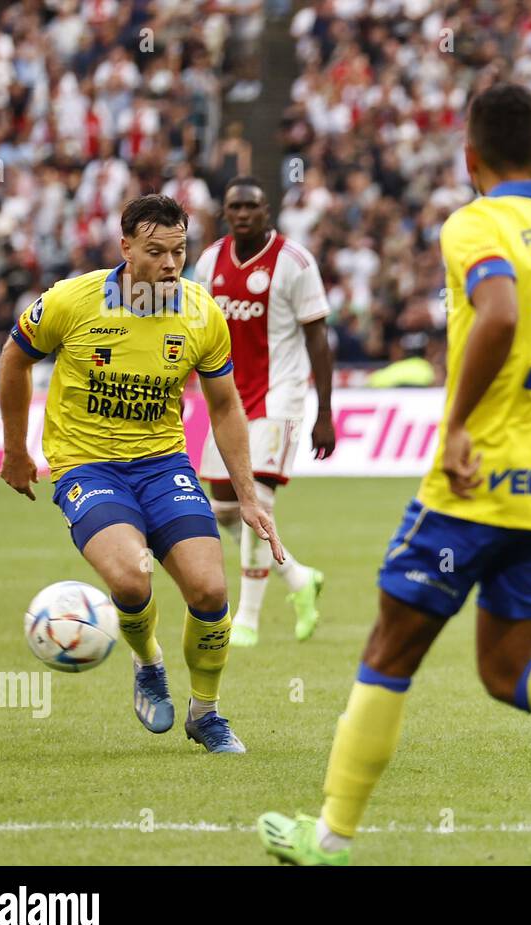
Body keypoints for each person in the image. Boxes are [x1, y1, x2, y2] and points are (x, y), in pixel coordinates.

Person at [258, 83, 531, 865]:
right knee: (505, 671)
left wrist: (460, 422)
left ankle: (328, 838)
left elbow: (498, 312)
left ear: (470, 160)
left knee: (389, 650)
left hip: (474, 487)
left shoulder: (476, 223)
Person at [0, 194, 284, 753]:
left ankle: (206, 713)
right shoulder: (71, 301)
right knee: (132, 578)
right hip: (87, 464)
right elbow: (15, 359)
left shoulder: (201, 313)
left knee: (209, 589)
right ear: (126, 247)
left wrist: (248, 496)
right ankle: (147, 660)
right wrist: (15, 451)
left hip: (164, 465)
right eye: (157, 252)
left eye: (180, 251)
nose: (171, 264)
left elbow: (224, 407)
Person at [193, 176, 335, 647]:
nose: (243, 214)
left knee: (260, 503)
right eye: (234, 206)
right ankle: (298, 578)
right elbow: (194, 329)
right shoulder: (209, 260)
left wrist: (323, 413)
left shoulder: (295, 262)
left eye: (251, 206)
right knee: (225, 510)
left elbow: (318, 336)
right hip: (226, 400)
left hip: (281, 396)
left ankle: (247, 620)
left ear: (267, 210)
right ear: (226, 212)